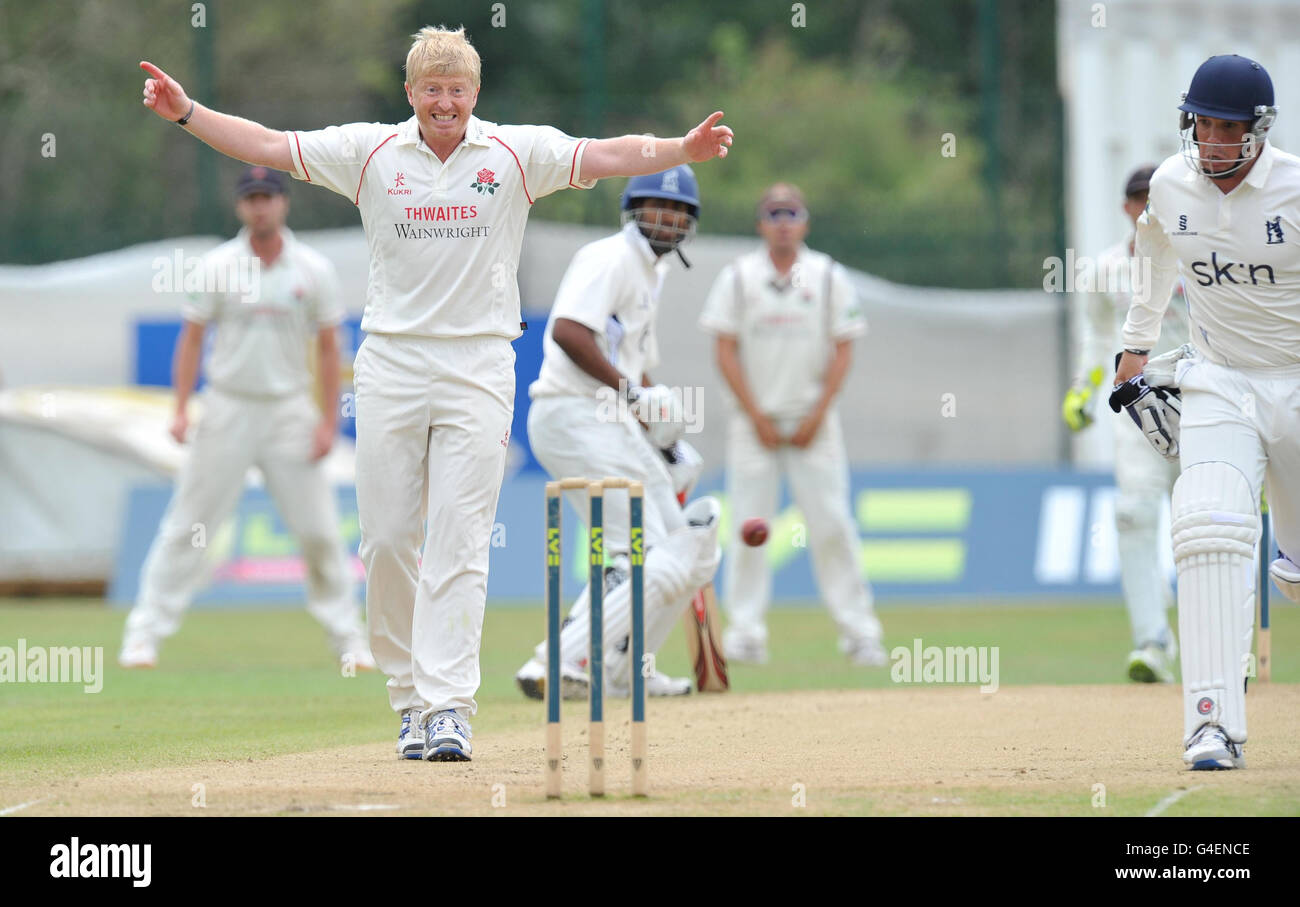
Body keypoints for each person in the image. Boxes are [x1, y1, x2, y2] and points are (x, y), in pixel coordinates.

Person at [138, 25, 732, 762]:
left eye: (456, 90)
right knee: (387, 539)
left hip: (480, 363)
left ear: (474, 94)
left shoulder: (515, 152)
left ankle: (449, 704)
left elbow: (608, 154)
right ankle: (408, 700)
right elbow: (266, 144)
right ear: (411, 93)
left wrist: (681, 149)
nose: (444, 102)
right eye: (431, 89)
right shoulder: (371, 153)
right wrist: (188, 112)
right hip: (390, 361)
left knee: (459, 539)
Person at [1114, 54, 1300, 770]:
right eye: (1203, 124)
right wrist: (1136, 343)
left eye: (1229, 127)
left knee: (1292, 571)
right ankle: (1212, 724)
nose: (1214, 141)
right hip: (1219, 377)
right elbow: (1155, 248)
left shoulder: (1292, 189)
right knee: (1207, 527)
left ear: (1258, 130)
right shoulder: (1169, 183)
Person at [119, 166, 373, 673]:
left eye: (269, 197)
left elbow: (329, 350)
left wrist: (327, 423)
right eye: (252, 198)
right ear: (241, 206)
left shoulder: (312, 269)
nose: (261, 207)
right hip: (227, 406)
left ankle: (349, 640)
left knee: (319, 530)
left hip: (288, 410)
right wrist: (179, 409)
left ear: (283, 204)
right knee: (189, 524)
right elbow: (191, 339)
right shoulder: (218, 266)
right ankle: (144, 635)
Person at [513, 165, 718, 702]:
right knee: (644, 550)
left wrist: (666, 440)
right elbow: (568, 332)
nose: (668, 217)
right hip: (571, 413)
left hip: (609, 421)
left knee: (685, 548)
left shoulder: (653, 272)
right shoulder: (609, 258)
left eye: (679, 210)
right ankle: (561, 660)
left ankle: (631, 669)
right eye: (658, 206)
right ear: (633, 209)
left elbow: (636, 363)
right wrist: (632, 395)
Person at [698, 184, 885, 667]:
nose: (783, 221)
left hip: (813, 422)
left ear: (804, 221)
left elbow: (844, 349)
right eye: (773, 213)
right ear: (761, 223)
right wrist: (756, 416)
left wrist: (816, 414)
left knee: (832, 526)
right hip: (753, 424)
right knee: (749, 528)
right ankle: (745, 634)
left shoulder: (826, 276)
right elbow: (724, 349)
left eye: (792, 212)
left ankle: (859, 633)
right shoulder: (739, 276)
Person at [1063, 165, 1188, 683]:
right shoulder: (1105, 269)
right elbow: (1097, 338)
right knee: (1133, 515)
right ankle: (1152, 642)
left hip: (1199, 404)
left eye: (1153, 198)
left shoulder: (1192, 256)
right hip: (1136, 409)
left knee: (1205, 526)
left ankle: (1221, 648)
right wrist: (1083, 388)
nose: (1145, 208)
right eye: (1138, 199)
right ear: (1125, 207)